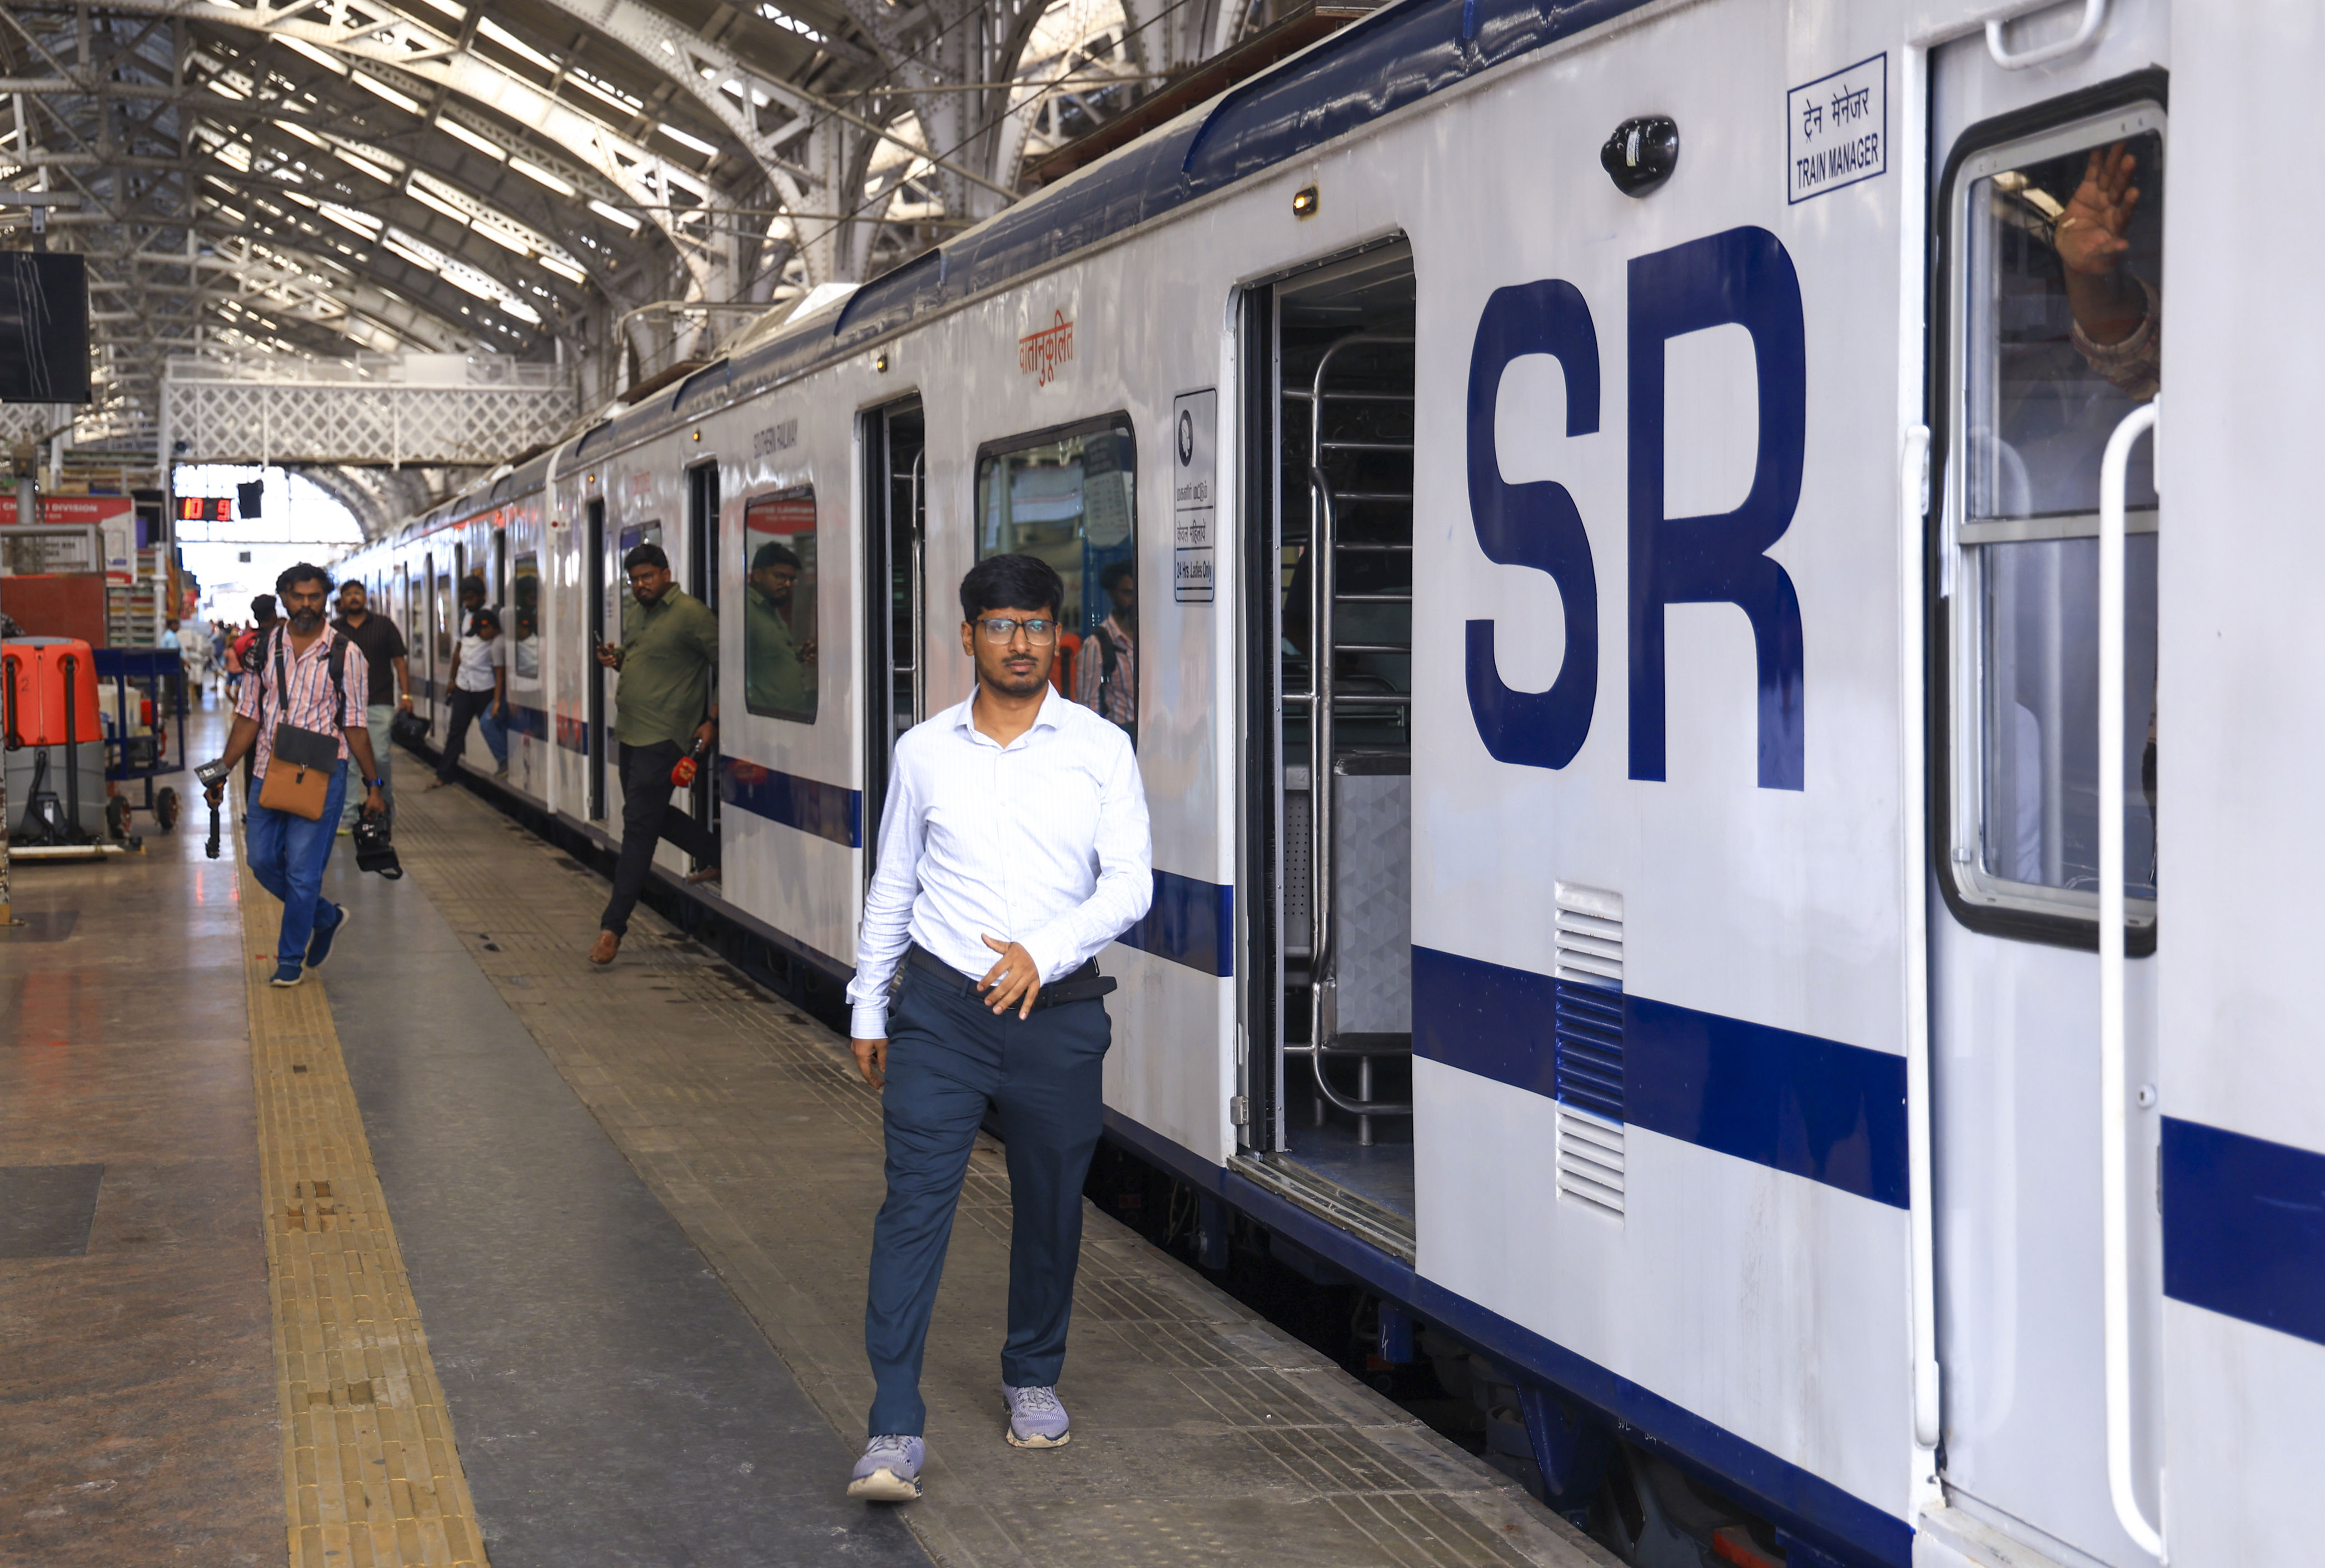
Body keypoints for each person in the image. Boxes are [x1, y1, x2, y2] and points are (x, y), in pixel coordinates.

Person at [843, 552, 1152, 1504]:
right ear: (968, 634)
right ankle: (893, 1426)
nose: (1019, 642)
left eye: (1035, 625)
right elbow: (894, 879)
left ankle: (1031, 1374)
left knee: (1051, 1209)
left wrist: (1042, 949)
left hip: (1057, 1020)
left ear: (1057, 633)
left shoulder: (1100, 748)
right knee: (913, 1208)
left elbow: (1131, 884)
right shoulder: (922, 750)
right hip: (941, 1012)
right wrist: (867, 998)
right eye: (1000, 625)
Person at [201, 564, 387, 989]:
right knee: (261, 860)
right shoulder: (262, 649)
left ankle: (290, 960)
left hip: (323, 770)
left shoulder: (347, 654)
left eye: (315, 597)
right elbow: (248, 716)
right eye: (298, 596)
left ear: (326, 599)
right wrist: (219, 772)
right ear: (283, 598)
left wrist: (374, 786)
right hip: (269, 769)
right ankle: (326, 916)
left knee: (303, 872)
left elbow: (356, 725)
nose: (307, 605)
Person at [590, 542, 719, 965]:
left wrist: (712, 719)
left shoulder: (691, 615)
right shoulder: (636, 612)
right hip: (631, 732)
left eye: (647, 577)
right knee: (648, 815)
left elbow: (728, 665)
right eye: (634, 579)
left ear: (666, 573)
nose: (641, 585)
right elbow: (639, 659)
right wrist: (616, 659)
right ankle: (718, 855)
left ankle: (613, 928)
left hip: (666, 735)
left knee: (638, 829)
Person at [332, 580, 412, 829]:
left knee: (379, 756)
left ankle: (384, 805)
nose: (354, 598)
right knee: (349, 761)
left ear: (366, 597)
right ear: (342, 600)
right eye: (348, 594)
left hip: (379, 700)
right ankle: (349, 814)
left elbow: (399, 662)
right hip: (344, 705)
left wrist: (406, 696)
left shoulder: (384, 626)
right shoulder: (333, 630)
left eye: (358, 593)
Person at [428, 606, 509, 787]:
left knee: (491, 725)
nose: (482, 634)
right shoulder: (468, 640)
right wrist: (452, 681)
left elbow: (500, 672)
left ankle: (506, 760)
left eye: (484, 630)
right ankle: (444, 774)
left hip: (485, 689)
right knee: (456, 731)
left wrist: (496, 701)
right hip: (465, 688)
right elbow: (458, 658)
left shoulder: (496, 643)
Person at [743, 541, 816, 714]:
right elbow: (728, 667)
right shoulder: (745, 611)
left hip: (788, 715)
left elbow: (766, 654)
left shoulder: (770, 608)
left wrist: (798, 654)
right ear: (758, 575)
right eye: (780, 577)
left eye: (792, 579)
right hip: (765, 717)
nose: (788, 584)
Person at [1070, 561, 1137, 740]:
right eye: (1127, 593)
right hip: (1119, 736)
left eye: (1137, 592)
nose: (1134, 600)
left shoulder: (1149, 637)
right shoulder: (1098, 644)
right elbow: (1087, 706)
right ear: (1112, 594)